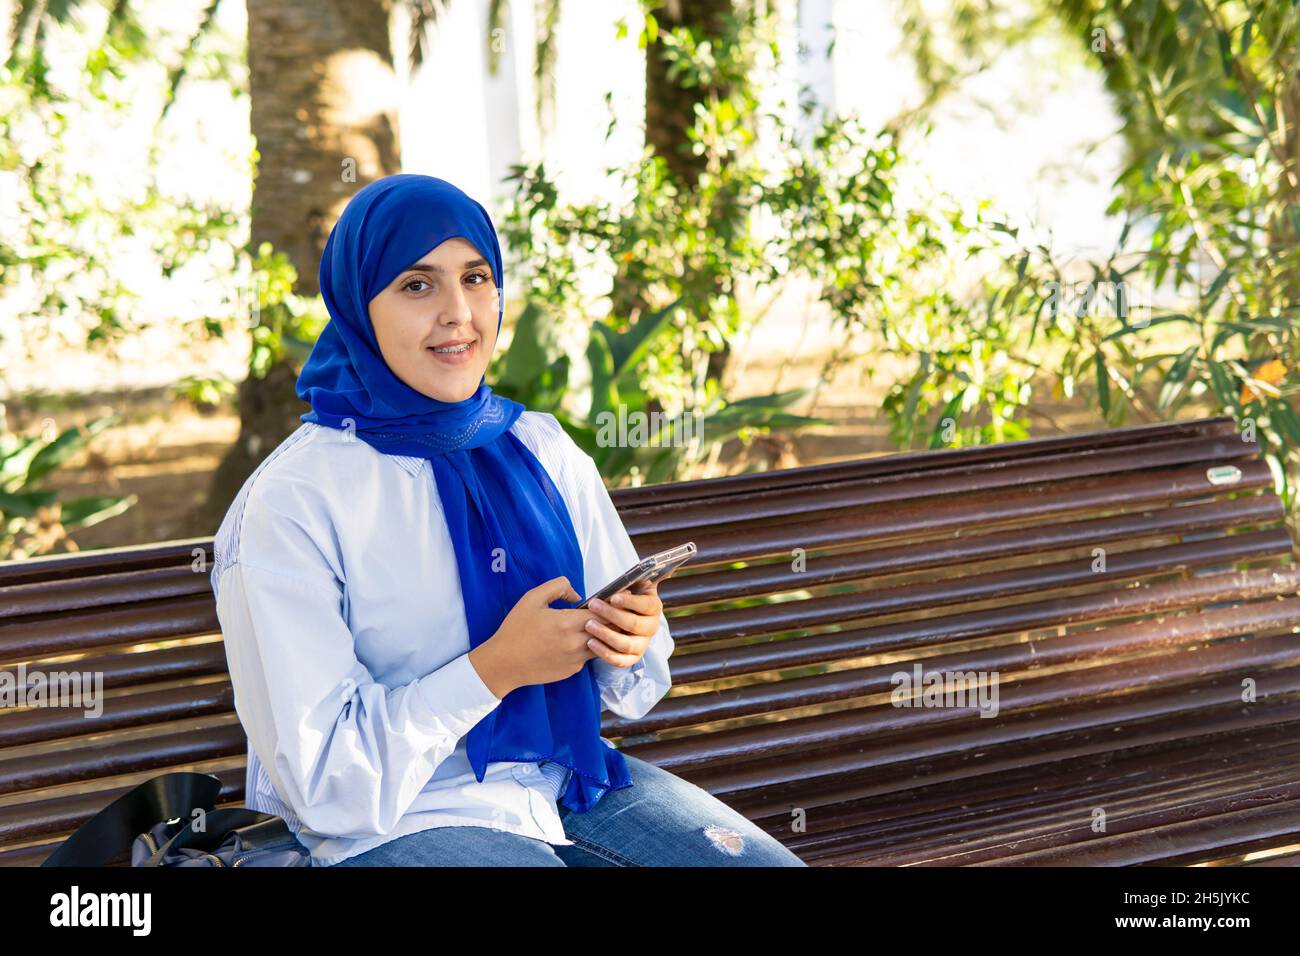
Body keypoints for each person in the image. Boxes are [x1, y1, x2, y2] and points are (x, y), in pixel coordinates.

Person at [209, 173, 806, 867]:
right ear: (356, 305)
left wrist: (627, 635)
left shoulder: (540, 446)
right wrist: (495, 669)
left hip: (568, 783)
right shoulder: (294, 500)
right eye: (416, 285)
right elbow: (323, 779)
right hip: (390, 822)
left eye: (476, 277)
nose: (459, 312)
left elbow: (638, 681)